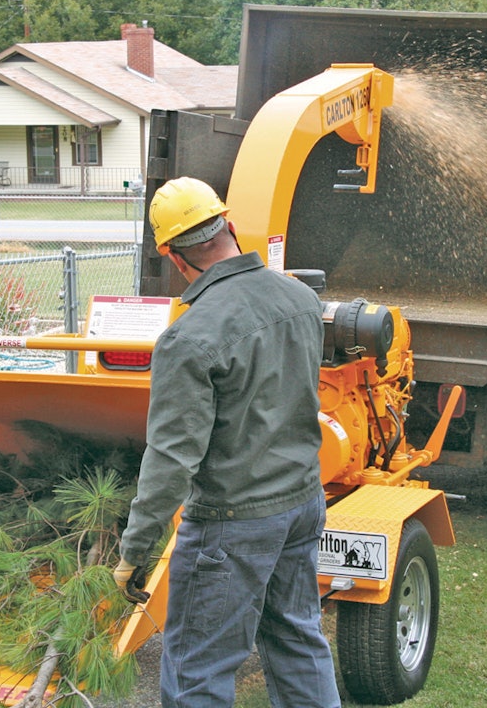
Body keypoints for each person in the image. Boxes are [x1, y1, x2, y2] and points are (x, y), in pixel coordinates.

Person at [114, 177, 340, 708]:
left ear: (173, 255)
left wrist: (136, 550)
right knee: (297, 639)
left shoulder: (189, 337)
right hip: (303, 504)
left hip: (231, 524)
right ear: (230, 227)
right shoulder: (302, 299)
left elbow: (171, 458)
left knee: (198, 668)